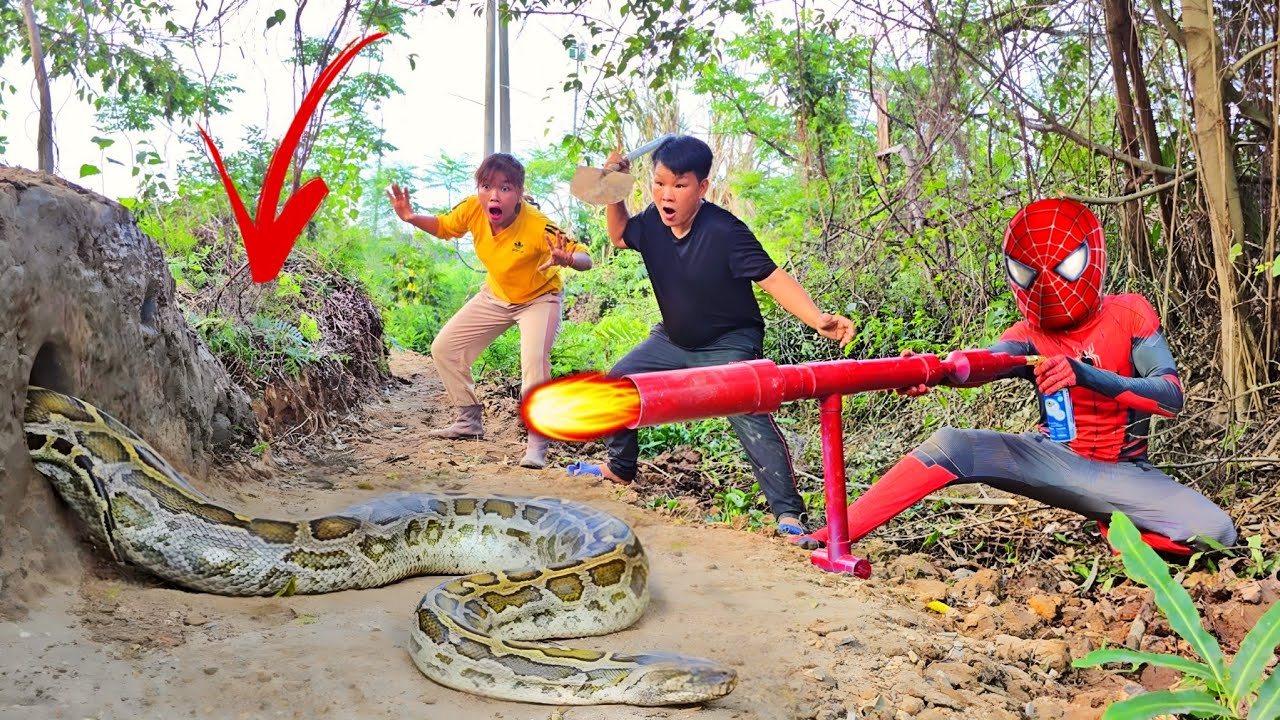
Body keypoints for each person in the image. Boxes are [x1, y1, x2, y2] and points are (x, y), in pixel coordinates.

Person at [794, 198, 1237, 555]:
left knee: (1216, 532)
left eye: (1063, 267)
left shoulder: (1129, 312)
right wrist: (938, 371)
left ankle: (1126, 533)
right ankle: (832, 535)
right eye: (1030, 273)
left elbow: (1170, 396)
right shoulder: (1026, 335)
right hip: (1052, 458)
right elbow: (988, 362)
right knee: (953, 445)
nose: (1047, 282)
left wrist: (1084, 375)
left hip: (1122, 470)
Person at [565, 135, 856, 537]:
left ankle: (789, 513)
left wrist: (816, 318)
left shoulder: (725, 231)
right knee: (616, 384)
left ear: (702, 187)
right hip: (673, 340)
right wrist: (615, 188)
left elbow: (773, 279)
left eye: (679, 185)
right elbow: (618, 236)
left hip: (729, 341)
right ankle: (619, 468)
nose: (667, 195)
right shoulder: (651, 222)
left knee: (746, 407)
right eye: (659, 183)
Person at [387, 153, 592, 469]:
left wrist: (568, 259)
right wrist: (411, 217)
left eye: (505, 188)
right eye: (486, 186)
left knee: (534, 362)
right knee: (445, 348)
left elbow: (585, 257)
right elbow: (444, 226)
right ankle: (468, 420)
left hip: (539, 299)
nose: (494, 196)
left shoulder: (538, 225)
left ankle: (537, 443)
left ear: (519, 193)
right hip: (496, 295)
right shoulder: (473, 209)